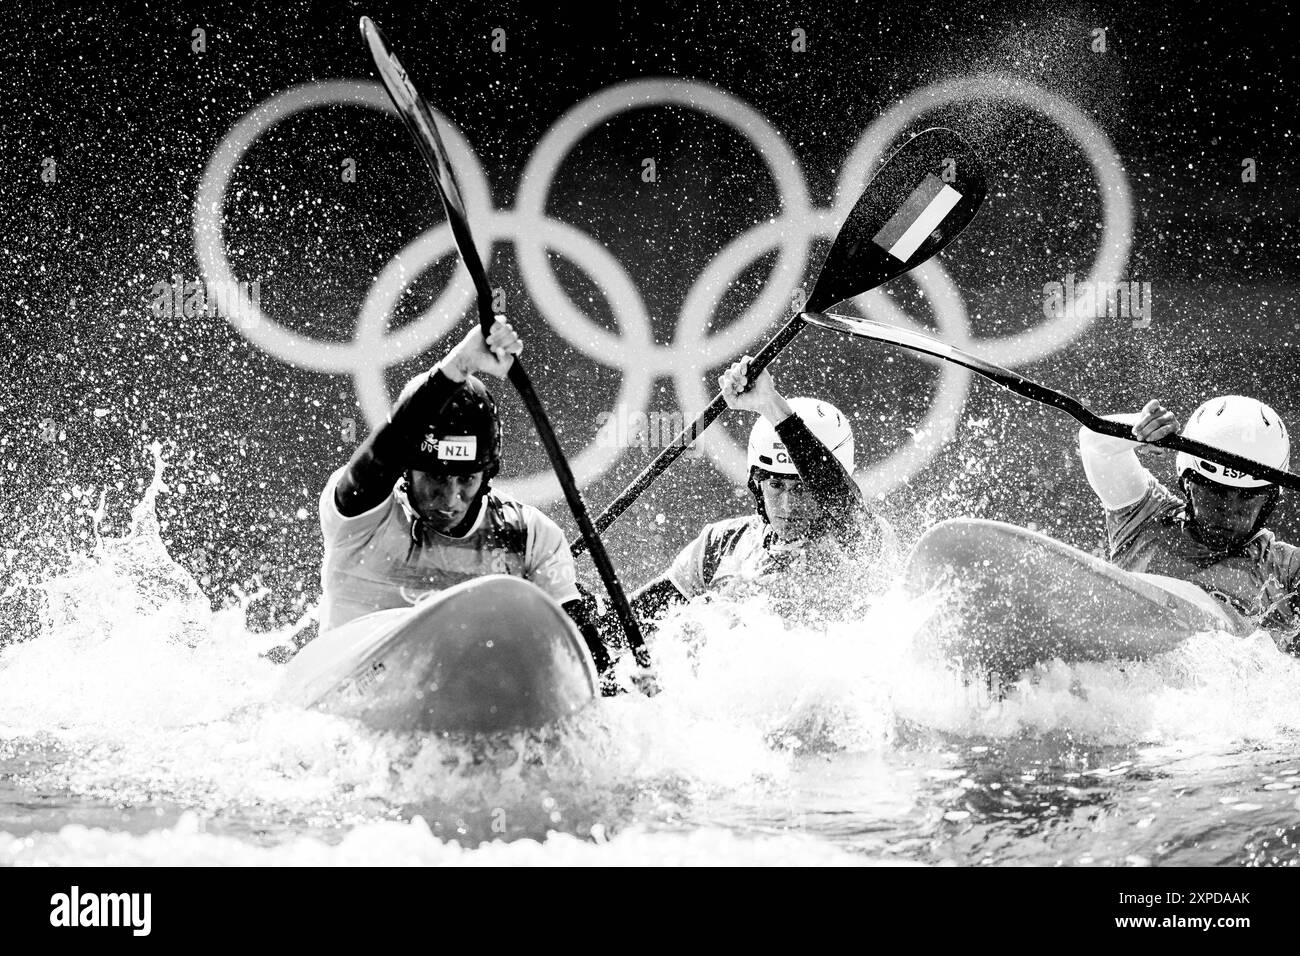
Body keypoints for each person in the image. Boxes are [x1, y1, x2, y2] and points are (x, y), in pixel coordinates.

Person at [316, 317, 612, 673]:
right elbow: (385, 451)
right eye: (436, 479)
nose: (450, 498)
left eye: (466, 480)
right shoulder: (362, 516)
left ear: (487, 476)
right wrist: (459, 365)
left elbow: (585, 663)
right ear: (406, 470)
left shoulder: (529, 536)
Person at [625, 355, 896, 633]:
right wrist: (579, 604)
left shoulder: (860, 541)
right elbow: (627, 626)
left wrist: (771, 405)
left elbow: (838, 498)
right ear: (757, 485)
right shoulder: (719, 544)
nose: (788, 505)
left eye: (802, 488)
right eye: (776, 485)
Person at [1079, 395, 1300, 644]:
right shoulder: (1144, 518)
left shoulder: (1286, 571)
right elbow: (1095, 444)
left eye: (1248, 498)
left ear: (1269, 502)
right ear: (1186, 482)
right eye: (1214, 491)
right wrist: (1140, 428)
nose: (1228, 512)